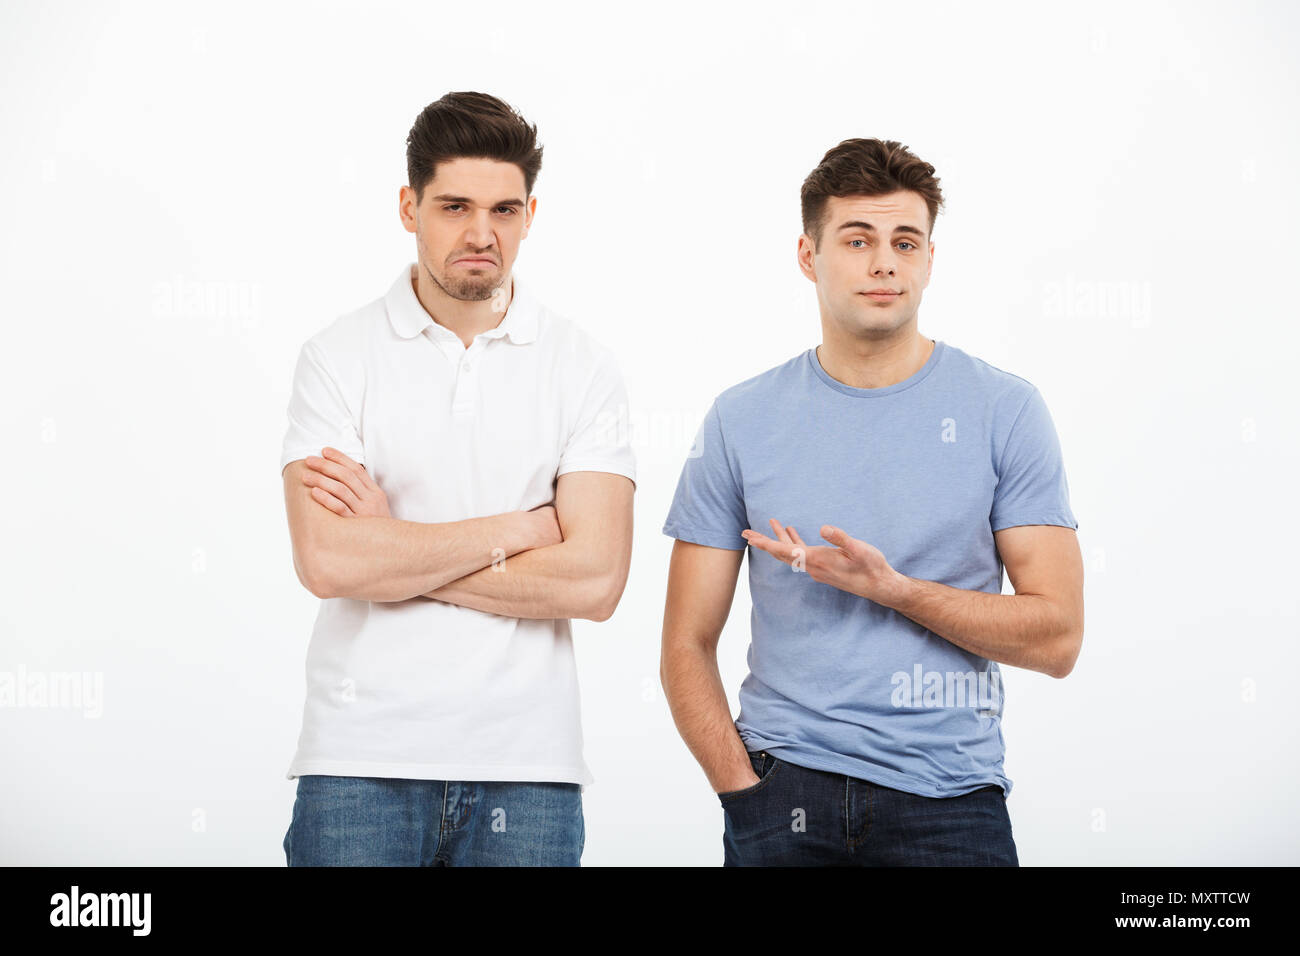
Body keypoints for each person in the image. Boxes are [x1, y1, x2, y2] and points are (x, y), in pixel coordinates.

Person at [659, 137, 1083, 866]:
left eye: (905, 241)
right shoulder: (740, 418)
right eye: (858, 240)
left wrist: (894, 590)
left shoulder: (1004, 410)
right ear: (808, 255)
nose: (884, 262)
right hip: (782, 791)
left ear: (927, 259)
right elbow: (684, 644)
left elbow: (1057, 638)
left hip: (951, 802)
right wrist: (741, 790)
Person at [278, 91, 636, 866]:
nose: (482, 234)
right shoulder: (336, 358)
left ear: (531, 215)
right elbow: (330, 563)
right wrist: (522, 529)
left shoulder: (583, 368)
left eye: (505, 210)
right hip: (358, 763)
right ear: (409, 208)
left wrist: (394, 552)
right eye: (455, 207)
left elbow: (596, 582)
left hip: (529, 771)